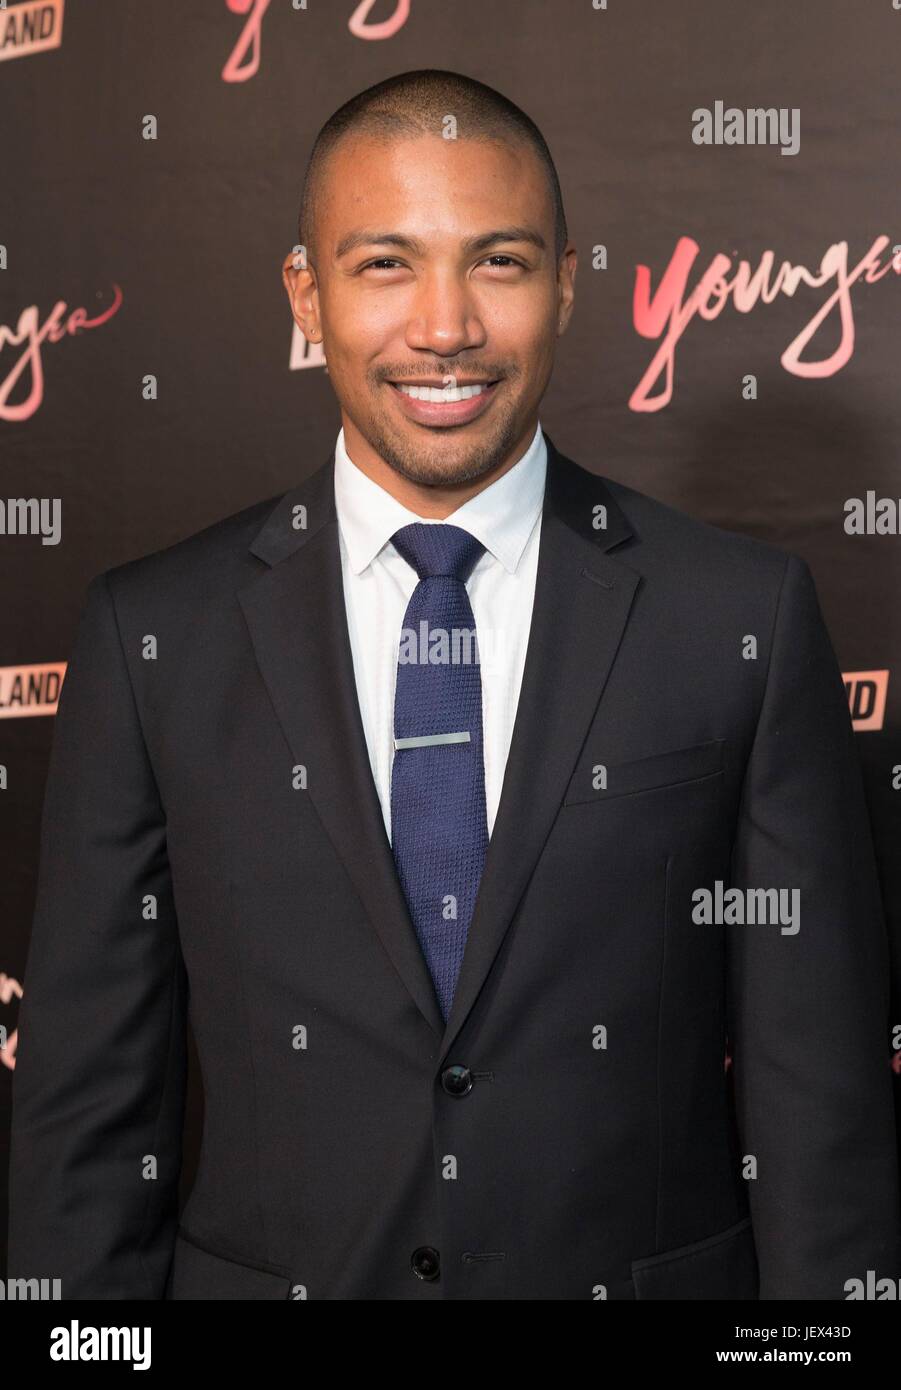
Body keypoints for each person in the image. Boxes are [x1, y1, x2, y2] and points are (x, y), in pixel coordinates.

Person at [8, 68, 899, 1301]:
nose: (444, 326)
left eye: (498, 262)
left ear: (567, 284)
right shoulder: (155, 635)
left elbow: (819, 1109)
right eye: (383, 265)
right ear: (304, 295)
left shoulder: (736, 617)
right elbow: (86, 1124)